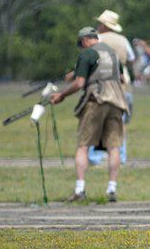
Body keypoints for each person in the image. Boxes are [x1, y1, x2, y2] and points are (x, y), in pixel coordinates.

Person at [49, 27, 128, 203]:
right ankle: (111, 190)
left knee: (83, 145)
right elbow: (122, 78)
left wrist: (61, 95)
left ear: (85, 40)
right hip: (116, 101)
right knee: (113, 146)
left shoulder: (87, 54)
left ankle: (80, 189)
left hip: (96, 100)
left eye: (80, 44)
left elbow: (79, 83)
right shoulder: (113, 53)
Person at [92, 10, 135, 165]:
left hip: (100, 82)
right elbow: (131, 58)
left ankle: (96, 156)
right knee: (119, 121)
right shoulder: (123, 40)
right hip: (120, 84)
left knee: (96, 119)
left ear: (103, 25)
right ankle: (120, 155)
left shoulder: (96, 38)